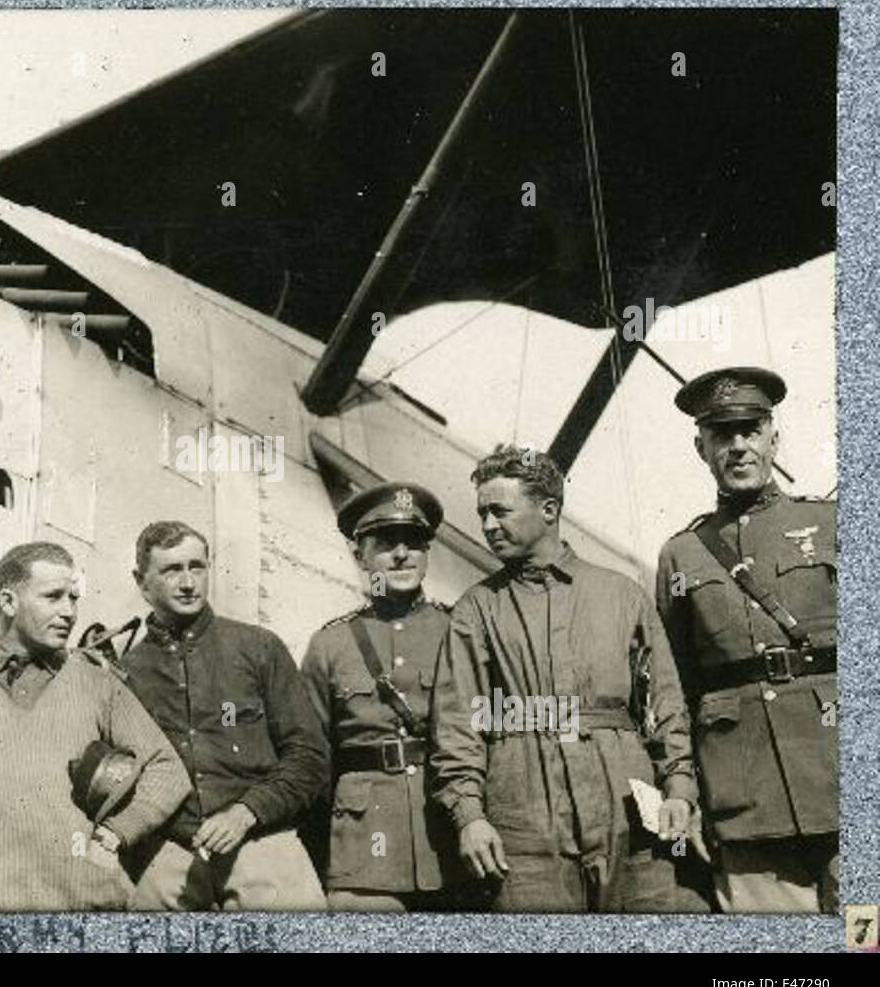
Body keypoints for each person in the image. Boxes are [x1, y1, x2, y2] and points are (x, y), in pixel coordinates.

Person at [429, 446, 697, 912]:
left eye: (500, 511)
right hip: (526, 824)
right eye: (482, 514)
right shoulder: (477, 609)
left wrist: (679, 788)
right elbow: (458, 726)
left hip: (629, 813)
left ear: (549, 509)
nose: (488, 525)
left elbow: (664, 707)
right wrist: (469, 815)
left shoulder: (622, 595)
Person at [655, 367, 837, 912]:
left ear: (773, 437)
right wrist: (681, 784)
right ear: (700, 447)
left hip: (841, 772)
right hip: (745, 794)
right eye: (721, 434)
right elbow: (675, 688)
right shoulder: (681, 556)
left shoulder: (832, 524)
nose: (738, 446)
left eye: (750, 430)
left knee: (866, 935)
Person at [0, 541, 189, 910]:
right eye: (53, 597)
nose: (69, 612)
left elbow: (168, 768)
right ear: (7, 602)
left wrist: (115, 835)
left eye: (73, 598)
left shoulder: (98, 685)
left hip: (87, 907)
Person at [122, 521, 328, 910]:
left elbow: (310, 757)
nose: (188, 583)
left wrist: (246, 812)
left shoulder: (258, 648)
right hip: (170, 854)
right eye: (171, 570)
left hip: (262, 841)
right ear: (142, 582)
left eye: (196, 567)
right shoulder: (129, 672)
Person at [300, 482, 466, 911]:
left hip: (447, 844)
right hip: (362, 851)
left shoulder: (461, 633)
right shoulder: (329, 645)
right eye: (385, 544)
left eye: (413, 542)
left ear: (427, 553)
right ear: (360, 556)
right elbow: (311, 761)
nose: (400, 555)